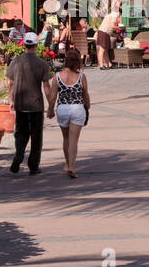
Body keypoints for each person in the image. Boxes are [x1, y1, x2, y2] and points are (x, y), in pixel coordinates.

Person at [7, 31, 52, 175]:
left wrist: (11, 100)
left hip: (21, 104)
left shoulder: (16, 61)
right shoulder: (42, 64)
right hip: (36, 105)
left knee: (20, 133)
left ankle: (18, 155)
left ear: (24, 44)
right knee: (36, 136)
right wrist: (51, 106)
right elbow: (46, 87)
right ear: (36, 45)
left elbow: (11, 84)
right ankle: (33, 165)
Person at [46, 48, 91, 178]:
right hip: (77, 108)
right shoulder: (82, 76)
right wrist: (87, 106)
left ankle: (67, 164)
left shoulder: (57, 76)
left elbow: (53, 96)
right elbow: (85, 94)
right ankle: (71, 166)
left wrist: (50, 110)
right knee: (73, 140)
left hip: (63, 108)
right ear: (78, 61)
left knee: (65, 138)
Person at [96, 0, 121, 69]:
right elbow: (112, 26)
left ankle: (109, 64)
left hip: (103, 31)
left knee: (105, 49)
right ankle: (101, 65)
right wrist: (119, 28)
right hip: (104, 32)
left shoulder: (112, 14)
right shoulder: (115, 15)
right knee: (102, 50)